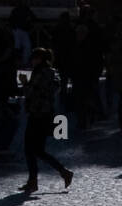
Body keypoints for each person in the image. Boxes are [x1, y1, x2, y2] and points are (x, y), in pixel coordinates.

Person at [18, 46, 72, 194]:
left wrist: (24, 83)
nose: (32, 62)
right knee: (38, 150)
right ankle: (62, 172)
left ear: (40, 59)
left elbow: (33, 93)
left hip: (38, 114)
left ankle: (34, 181)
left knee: (30, 149)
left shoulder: (40, 73)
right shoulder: (51, 73)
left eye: (34, 59)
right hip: (46, 113)